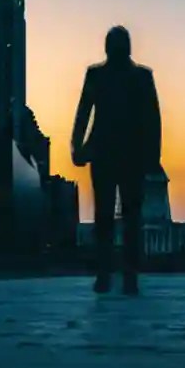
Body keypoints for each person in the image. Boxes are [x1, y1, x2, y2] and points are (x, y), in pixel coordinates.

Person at [71, 26, 161, 295]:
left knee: (115, 217)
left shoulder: (125, 76)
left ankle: (114, 274)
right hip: (120, 154)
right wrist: (152, 157)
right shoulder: (136, 76)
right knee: (118, 217)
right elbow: (84, 111)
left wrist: (77, 146)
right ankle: (119, 274)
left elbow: (84, 113)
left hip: (113, 154)